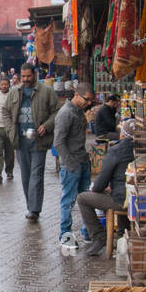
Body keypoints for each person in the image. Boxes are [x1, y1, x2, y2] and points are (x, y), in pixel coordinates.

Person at [5, 63, 59, 221]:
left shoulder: (46, 91)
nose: (26, 79)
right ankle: (31, 206)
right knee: (25, 175)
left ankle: (34, 210)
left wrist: (47, 125)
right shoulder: (15, 92)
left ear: (35, 74)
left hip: (39, 141)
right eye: (23, 77)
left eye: (28, 76)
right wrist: (10, 130)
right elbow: (5, 111)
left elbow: (57, 111)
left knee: (36, 174)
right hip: (20, 141)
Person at [78, 119, 139, 256]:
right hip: (141, 198)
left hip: (123, 200)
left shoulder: (116, 150)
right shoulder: (145, 148)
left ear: (123, 135)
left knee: (82, 198)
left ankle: (99, 236)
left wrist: (97, 189)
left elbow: (100, 184)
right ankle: (122, 233)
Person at [54, 81, 96, 243]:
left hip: (82, 161)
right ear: (77, 95)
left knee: (86, 200)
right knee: (68, 201)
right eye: (87, 99)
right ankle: (65, 235)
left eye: (91, 100)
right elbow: (59, 142)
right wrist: (71, 164)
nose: (89, 103)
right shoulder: (65, 113)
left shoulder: (79, 111)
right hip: (72, 165)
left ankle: (88, 232)